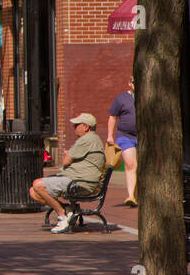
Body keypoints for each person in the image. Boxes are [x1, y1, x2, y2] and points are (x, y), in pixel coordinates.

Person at [30, 113, 107, 233]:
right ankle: (68, 209)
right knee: (33, 192)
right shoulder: (93, 139)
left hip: (80, 182)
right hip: (78, 179)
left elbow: (66, 162)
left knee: (38, 184)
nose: (74, 127)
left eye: (77, 125)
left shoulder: (86, 140)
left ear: (86, 127)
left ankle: (63, 217)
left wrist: (68, 154)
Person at [107, 76, 137, 206]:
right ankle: (130, 196)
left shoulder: (148, 97)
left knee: (141, 167)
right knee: (130, 165)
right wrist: (110, 136)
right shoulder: (121, 99)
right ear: (129, 83)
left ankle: (137, 195)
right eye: (134, 82)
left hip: (144, 138)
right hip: (125, 136)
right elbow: (112, 117)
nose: (136, 85)